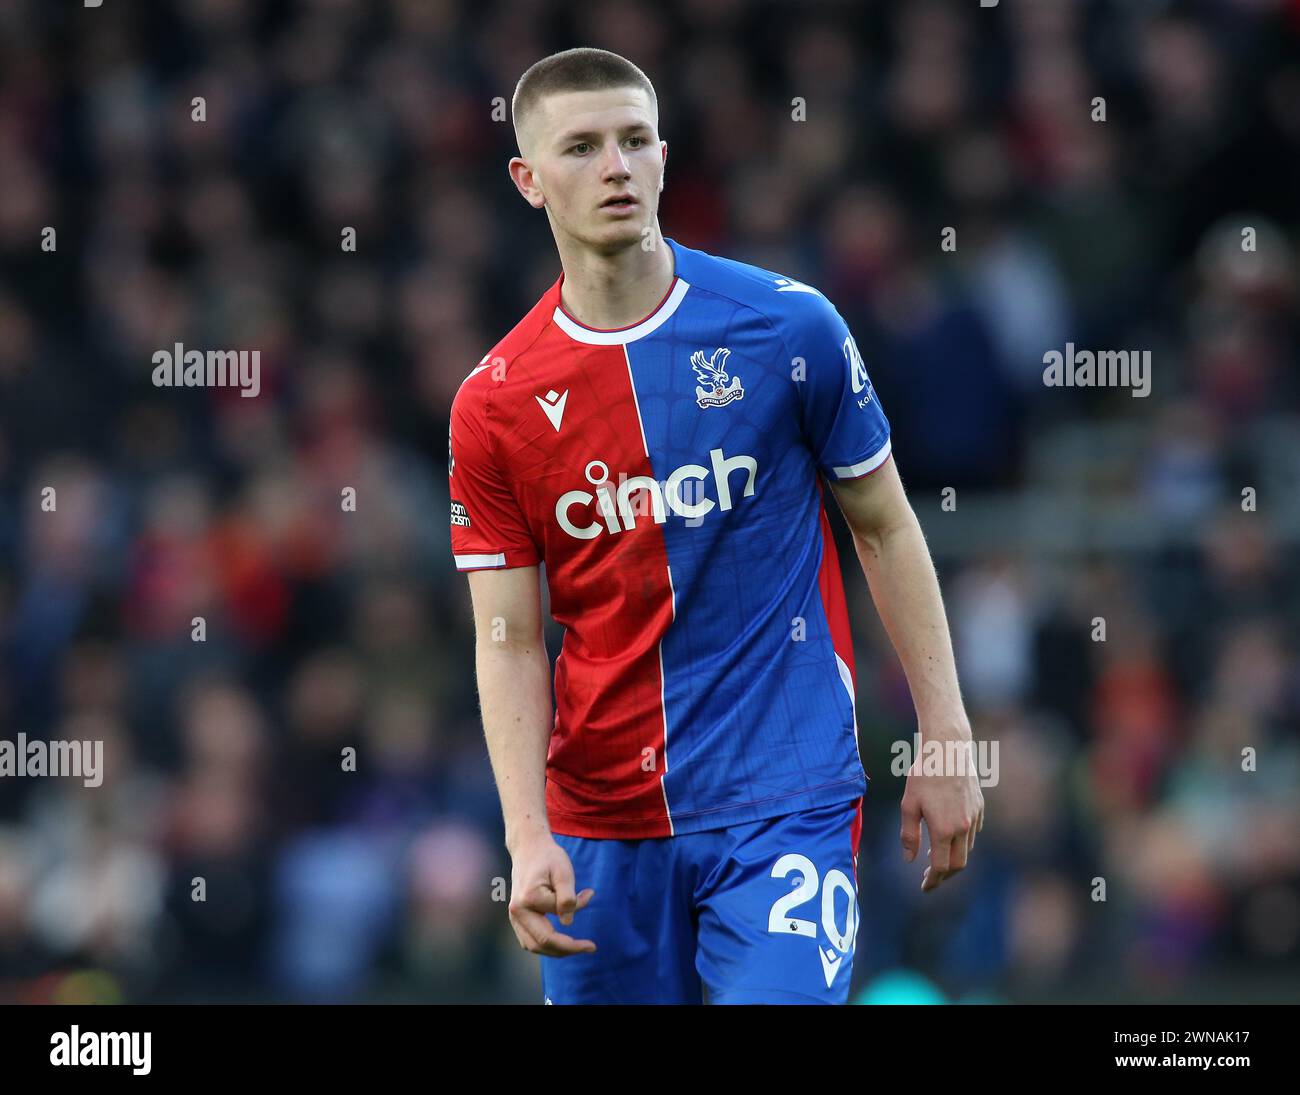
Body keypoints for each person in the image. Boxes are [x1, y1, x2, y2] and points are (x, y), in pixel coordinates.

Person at [448, 46, 984, 1004]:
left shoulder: (790, 328)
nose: (616, 166)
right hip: (601, 820)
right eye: (581, 147)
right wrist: (526, 832)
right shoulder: (495, 404)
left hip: (785, 794)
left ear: (662, 154)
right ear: (529, 181)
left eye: (635, 140)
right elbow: (510, 636)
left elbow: (888, 529)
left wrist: (943, 735)